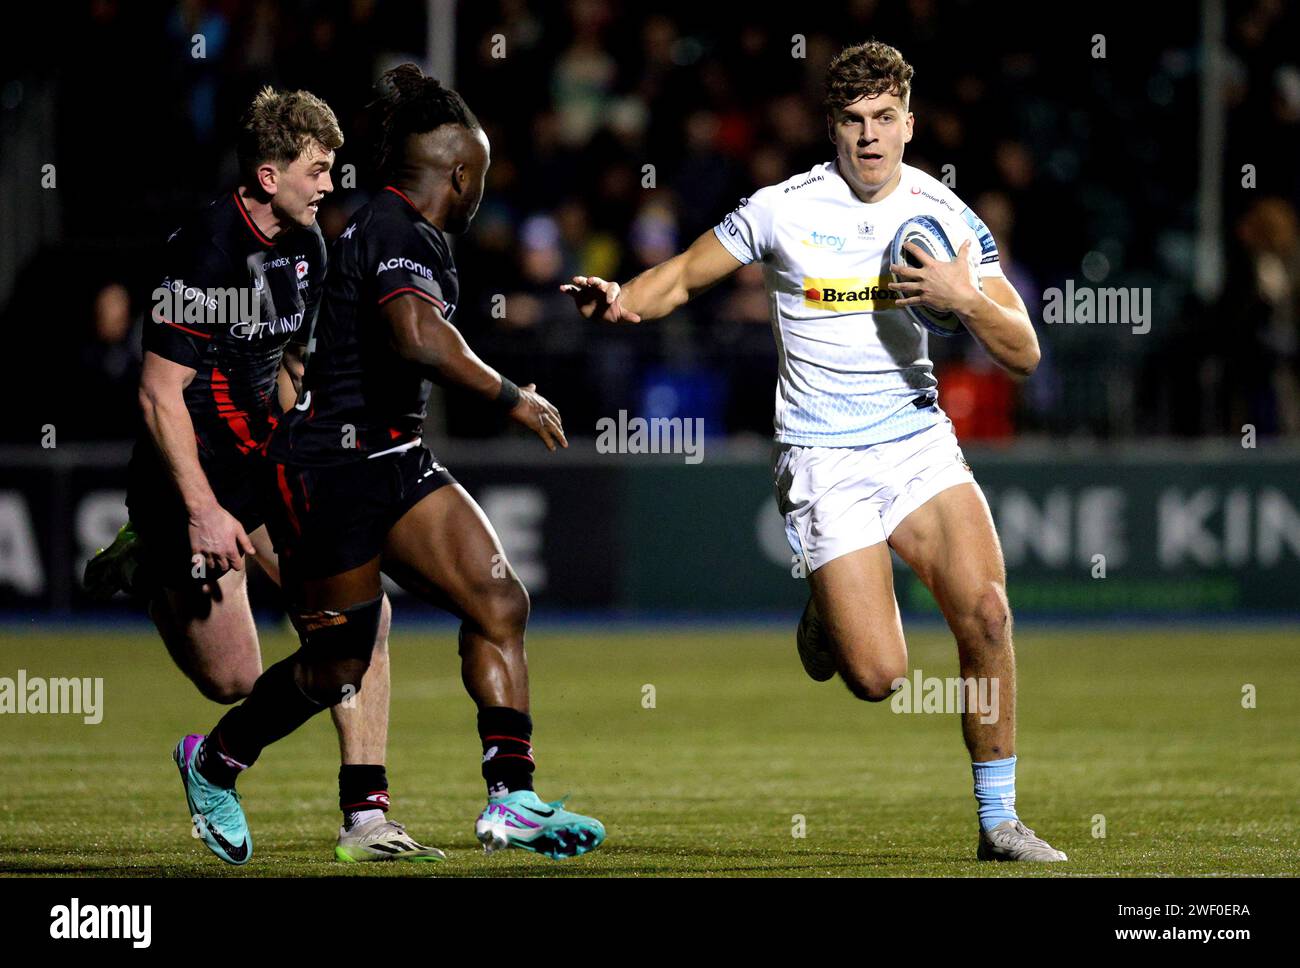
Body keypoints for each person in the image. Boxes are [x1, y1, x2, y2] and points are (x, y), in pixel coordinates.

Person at [563, 40, 1065, 862]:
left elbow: (1024, 352)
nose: (869, 137)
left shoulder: (945, 218)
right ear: (833, 127)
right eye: (853, 121)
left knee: (988, 612)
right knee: (880, 678)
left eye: (884, 119)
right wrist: (622, 301)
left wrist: (961, 296)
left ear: (910, 122)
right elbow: (687, 274)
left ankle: (1000, 822)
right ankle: (834, 618)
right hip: (823, 456)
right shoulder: (782, 208)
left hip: (916, 440)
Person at [173, 64, 605, 864]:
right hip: (327, 477)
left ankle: (511, 797)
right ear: (461, 173)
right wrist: (513, 395)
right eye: (480, 172)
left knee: (499, 599)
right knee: (339, 662)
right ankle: (214, 764)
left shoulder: (404, 230)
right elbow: (415, 336)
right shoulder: (395, 230)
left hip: (395, 457)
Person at [87, 86, 439, 863]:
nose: (329, 184)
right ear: (268, 173)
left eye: (334, 168)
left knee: (364, 618)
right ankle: (152, 554)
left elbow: (287, 361)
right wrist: (204, 512)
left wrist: (314, 446)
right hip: (192, 478)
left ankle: (366, 815)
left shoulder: (307, 245)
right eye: (317, 169)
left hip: (264, 461)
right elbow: (157, 392)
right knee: (236, 679)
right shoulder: (205, 249)